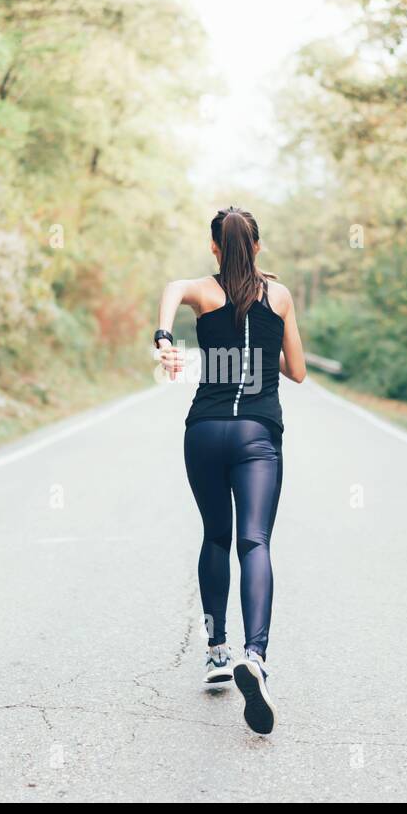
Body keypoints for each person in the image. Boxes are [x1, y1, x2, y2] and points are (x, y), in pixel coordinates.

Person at [153, 206, 306, 735]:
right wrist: (269, 348)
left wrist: (165, 340)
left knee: (215, 537)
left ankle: (216, 653)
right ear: (257, 247)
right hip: (257, 434)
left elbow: (173, 287)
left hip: (206, 431)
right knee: (255, 542)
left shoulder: (204, 292)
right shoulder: (279, 297)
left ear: (215, 248)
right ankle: (255, 657)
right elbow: (299, 372)